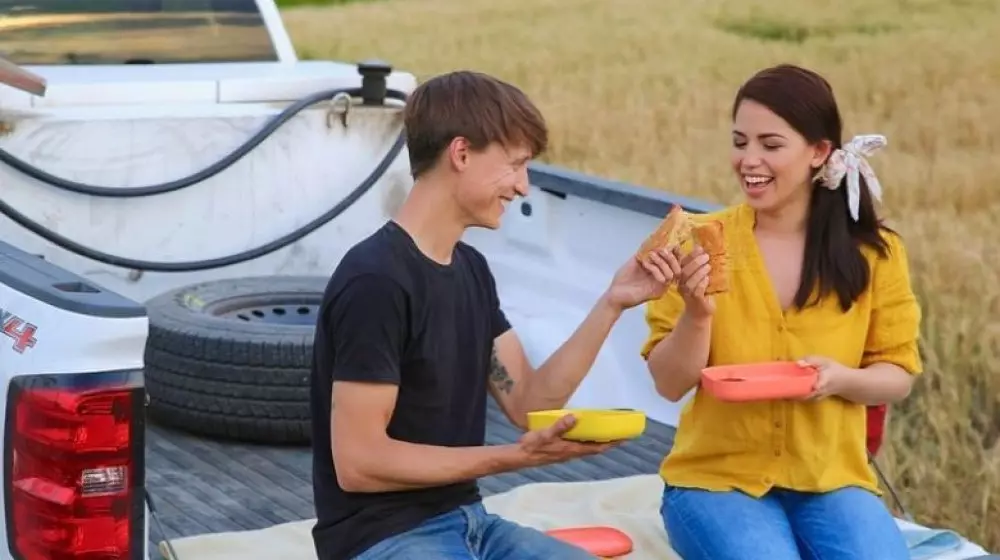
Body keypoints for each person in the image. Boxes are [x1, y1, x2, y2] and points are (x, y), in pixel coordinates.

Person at [309, 70, 677, 560]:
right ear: (461, 154)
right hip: (382, 539)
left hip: (472, 525)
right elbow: (358, 462)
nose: (524, 187)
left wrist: (613, 302)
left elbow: (528, 402)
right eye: (516, 165)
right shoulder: (375, 280)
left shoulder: (471, 270)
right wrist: (514, 457)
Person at [641, 64, 921, 560]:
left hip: (831, 481)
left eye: (770, 145)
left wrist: (839, 380)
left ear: (818, 152)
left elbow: (896, 374)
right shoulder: (694, 239)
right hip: (714, 483)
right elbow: (667, 383)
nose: (749, 160)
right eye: (739, 141)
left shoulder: (875, 253)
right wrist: (698, 314)